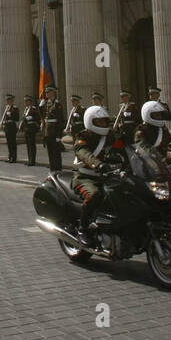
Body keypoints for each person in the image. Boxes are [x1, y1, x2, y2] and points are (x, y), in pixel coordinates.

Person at [72, 101, 114, 240]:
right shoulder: (83, 137)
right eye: (99, 122)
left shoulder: (110, 136)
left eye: (104, 122)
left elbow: (125, 147)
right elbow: (84, 153)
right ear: (90, 122)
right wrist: (98, 164)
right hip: (86, 177)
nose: (103, 125)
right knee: (94, 195)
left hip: (108, 176)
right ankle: (82, 228)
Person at [41, 85, 63, 172]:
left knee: (56, 152)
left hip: (54, 131)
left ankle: (58, 168)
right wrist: (40, 107)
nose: (46, 94)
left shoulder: (57, 104)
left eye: (47, 92)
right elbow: (43, 117)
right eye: (46, 92)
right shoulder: (46, 104)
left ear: (52, 92)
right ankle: (52, 168)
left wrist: (59, 135)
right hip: (48, 131)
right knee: (50, 151)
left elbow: (60, 120)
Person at [21, 93, 41, 167]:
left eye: (27, 101)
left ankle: (32, 160)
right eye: (25, 101)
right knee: (28, 145)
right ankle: (29, 159)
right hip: (27, 128)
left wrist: (31, 118)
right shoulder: (26, 109)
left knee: (32, 145)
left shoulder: (33, 109)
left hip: (31, 128)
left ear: (30, 101)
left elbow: (37, 118)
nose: (25, 103)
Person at [1, 94, 20, 163]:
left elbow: (17, 118)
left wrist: (11, 114)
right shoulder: (7, 107)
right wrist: (3, 123)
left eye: (9, 100)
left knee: (13, 142)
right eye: (7, 100)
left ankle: (14, 157)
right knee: (8, 142)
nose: (8, 101)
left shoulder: (14, 108)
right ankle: (10, 156)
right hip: (7, 125)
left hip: (12, 125)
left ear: (12, 100)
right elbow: (5, 117)